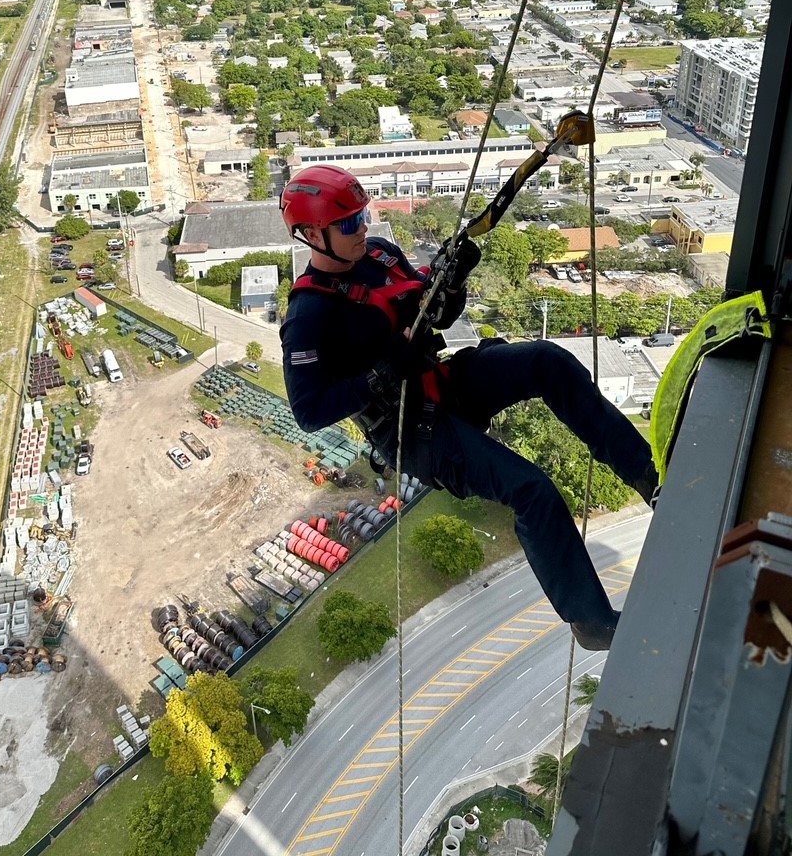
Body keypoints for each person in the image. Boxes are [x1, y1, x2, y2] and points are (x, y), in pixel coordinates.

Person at [279, 164, 659, 652]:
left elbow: (434, 311)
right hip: (412, 433)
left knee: (547, 362)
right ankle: (592, 622)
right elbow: (309, 411)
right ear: (312, 234)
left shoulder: (380, 255)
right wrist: (381, 373)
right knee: (532, 490)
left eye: (364, 215)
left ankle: (648, 478)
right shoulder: (310, 316)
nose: (363, 228)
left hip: (442, 383)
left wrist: (452, 283)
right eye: (350, 223)